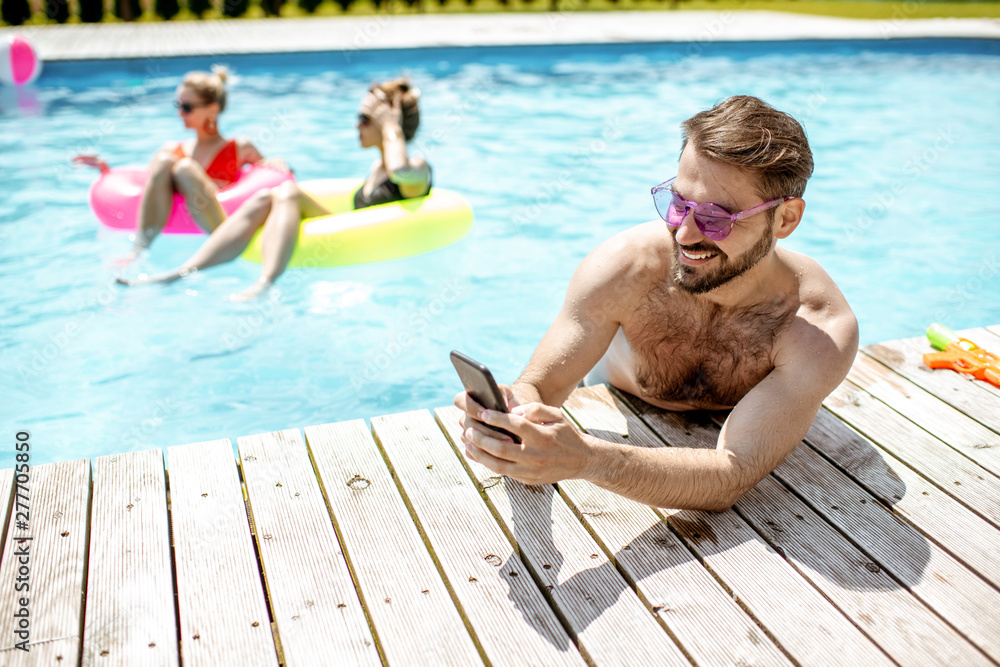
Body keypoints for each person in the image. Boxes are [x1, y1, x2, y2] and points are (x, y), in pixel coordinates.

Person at [455, 95, 859, 513]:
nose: (684, 234)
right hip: (620, 397)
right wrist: (508, 417)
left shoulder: (817, 327)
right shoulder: (626, 267)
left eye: (716, 218)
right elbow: (539, 388)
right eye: (678, 203)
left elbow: (729, 475)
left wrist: (587, 460)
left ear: (786, 219)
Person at [117, 78, 431, 301]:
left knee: (289, 192)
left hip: (373, 242)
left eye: (364, 119)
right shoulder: (376, 170)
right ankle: (178, 274)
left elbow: (400, 170)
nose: (356, 126)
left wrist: (391, 126)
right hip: (353, 229)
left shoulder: (417, 168)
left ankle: (265, 284)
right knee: (271, 195)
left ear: (391, 125)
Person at [75, 66, 273, 263]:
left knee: (185, 168)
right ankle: (138, 252)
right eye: (177, 105)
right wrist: (107, 172)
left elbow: (269, 178)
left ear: (212, 109)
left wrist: (275, 162)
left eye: (187, 107)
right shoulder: (170, 151)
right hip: (178, 243)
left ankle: (224, 245)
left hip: (218, 222)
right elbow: (143, 187)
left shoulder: (239, 148)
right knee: (167, 160)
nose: (180, 113)